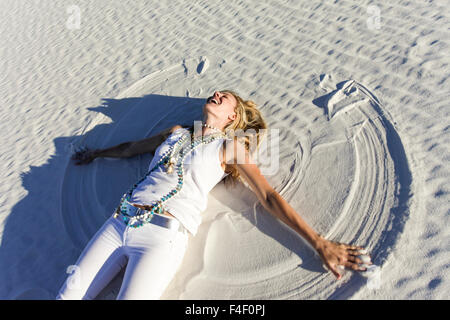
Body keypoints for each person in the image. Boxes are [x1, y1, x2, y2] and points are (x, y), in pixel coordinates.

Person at [56, 90, 372, 300]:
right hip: (119, 222)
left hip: (163, 237)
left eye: (226, 97)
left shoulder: (229, 148)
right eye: (217, 92)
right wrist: (96, 153)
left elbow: (268, 196)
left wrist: (318, 242)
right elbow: (132, 148)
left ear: (232, 117)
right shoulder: (176, 133)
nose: (217, 94)